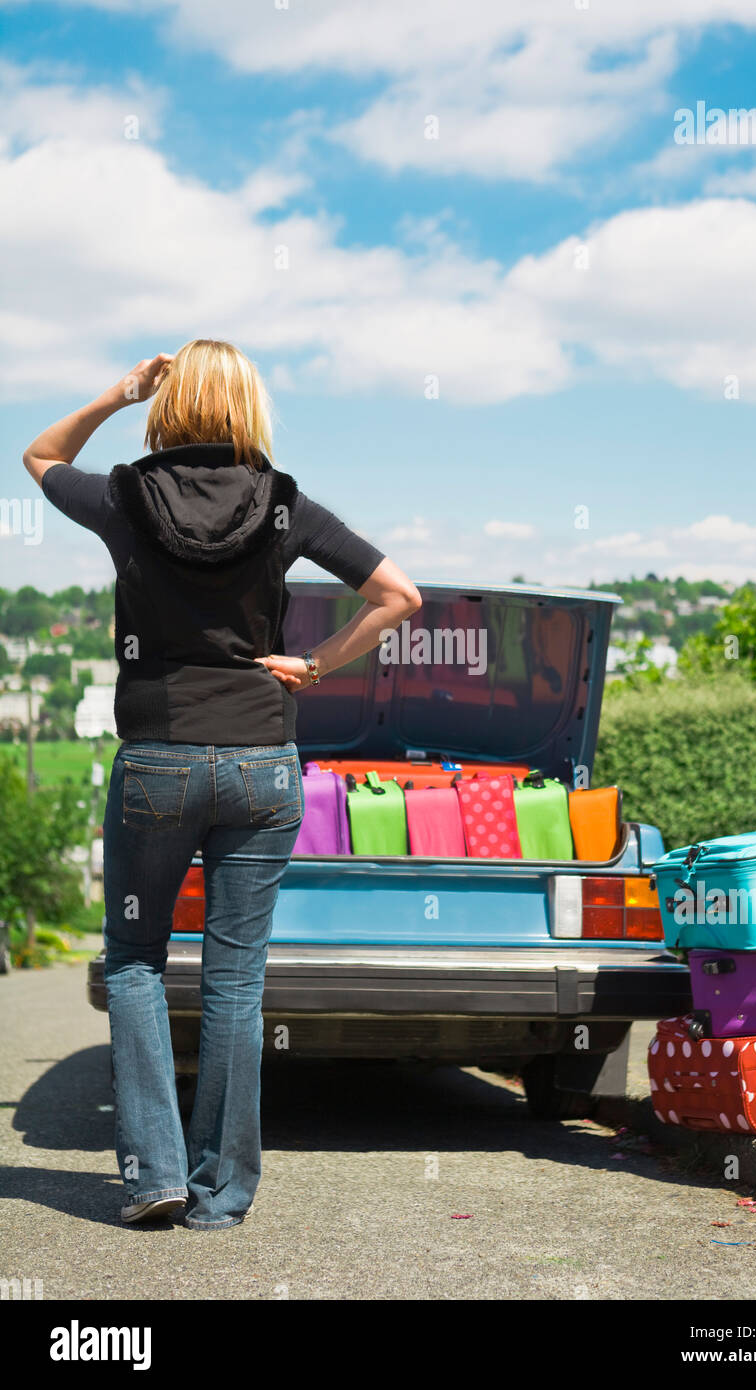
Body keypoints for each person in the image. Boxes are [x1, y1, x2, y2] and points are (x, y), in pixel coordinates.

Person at [23, 339, 421, 1230]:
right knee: (236, 983)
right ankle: (221, 1196)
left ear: (172, 404)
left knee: (133, 963)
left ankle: (153, 1175)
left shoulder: (126, 495)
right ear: (248, 405)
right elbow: (401, 595)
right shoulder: (285, 504)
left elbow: (41, 456)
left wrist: (121, 394)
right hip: (261, 765)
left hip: (158, 761)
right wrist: (316, 663)